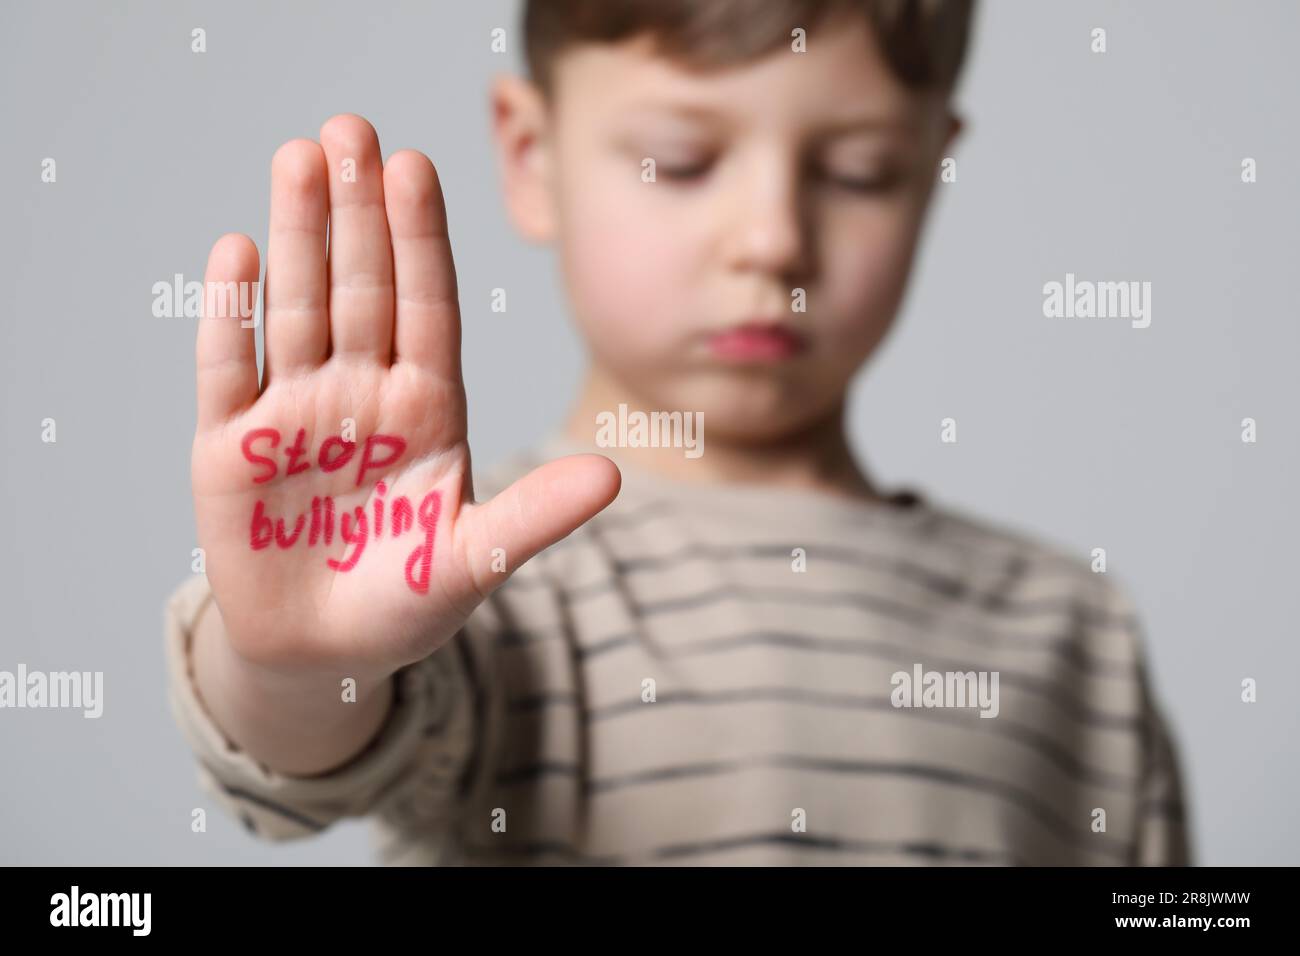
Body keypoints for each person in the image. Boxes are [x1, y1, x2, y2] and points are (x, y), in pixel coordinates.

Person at [164, 0, 1190, 865]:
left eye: (862, 170)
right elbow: (311, 751)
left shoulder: (1075, 632)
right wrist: (294, 663)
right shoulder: (484, 589)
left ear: (932, 168)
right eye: (680, 160)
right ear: (531, 155)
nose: (772, 237)